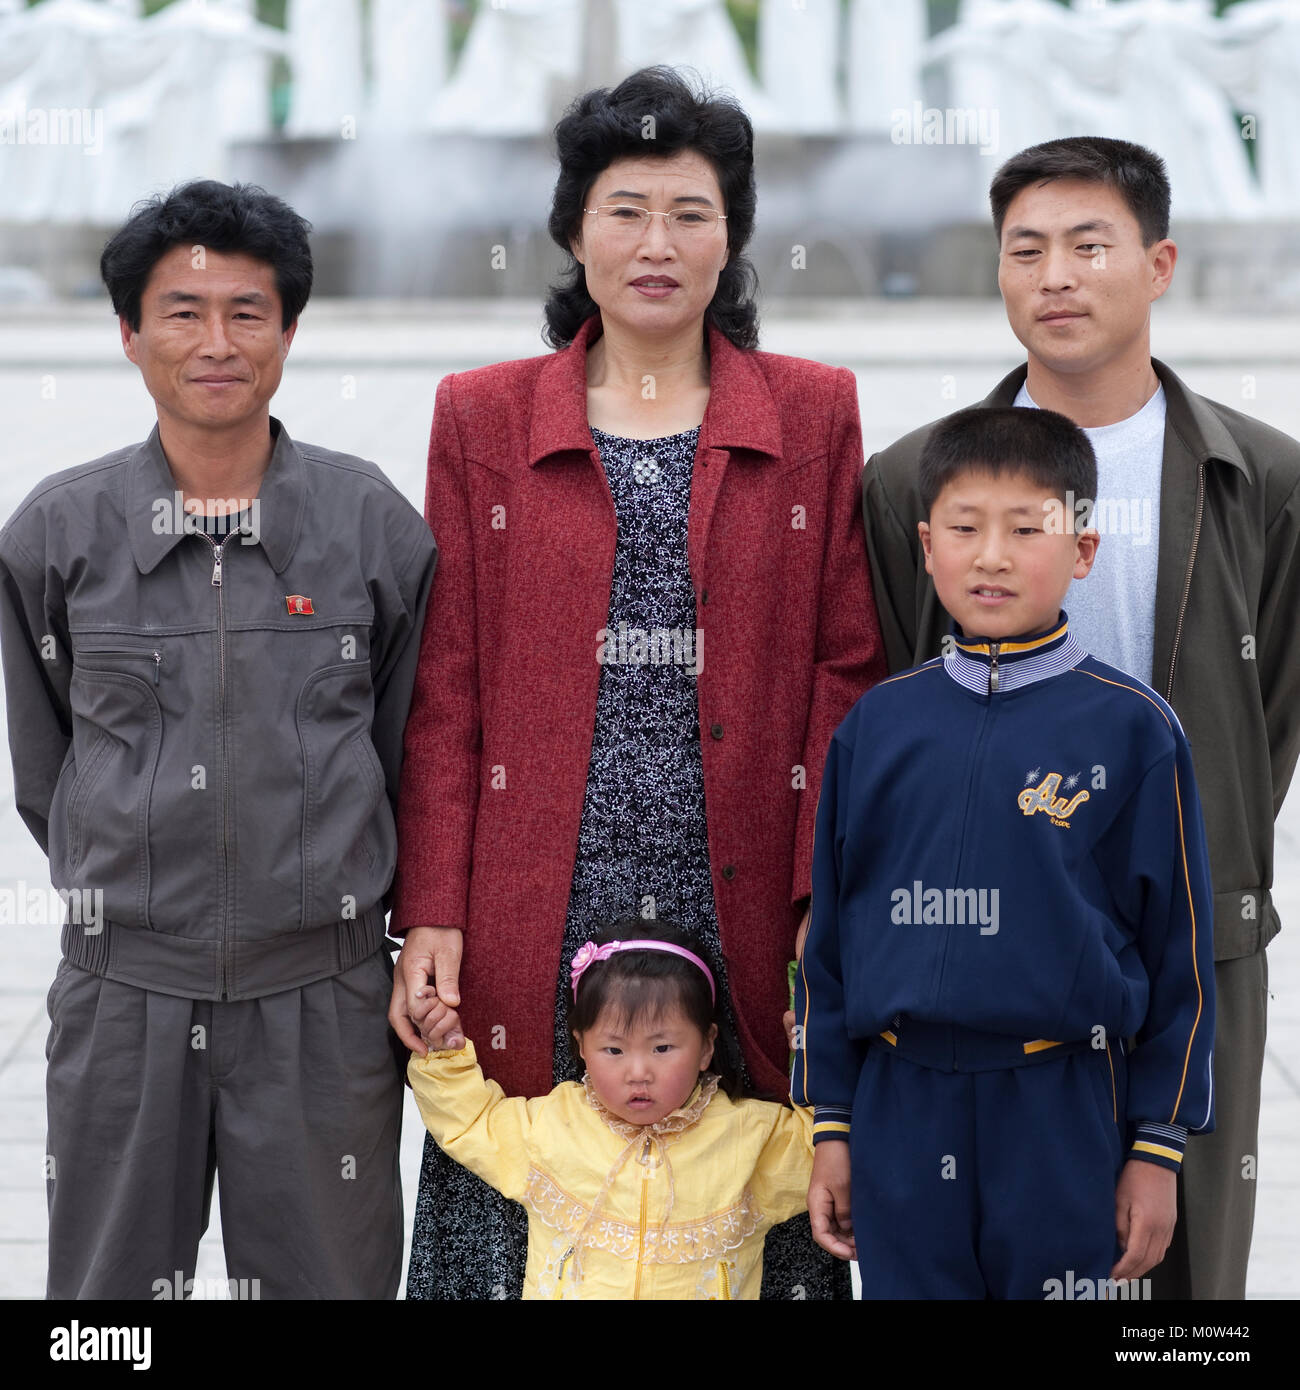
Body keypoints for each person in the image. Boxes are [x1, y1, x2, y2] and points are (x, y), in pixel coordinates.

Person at [389, 65, 885, 1300]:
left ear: (733, 236)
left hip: (744, 867)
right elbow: (448, 683)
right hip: (537, 873)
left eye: (689, 212)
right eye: (624, 210)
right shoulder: (483, 415)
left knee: (749, 1172)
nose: (655, 244)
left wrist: (825, 879)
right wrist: (434, 907)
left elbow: (848, 665)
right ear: (572, 229)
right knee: (518, 1171)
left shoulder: (813, 413)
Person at [862, 136, 1300, 1300]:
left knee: (1183, 1264)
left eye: (1088, 245)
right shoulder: (914, 482)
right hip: (974, 939)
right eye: (1026, 250)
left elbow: (1265, 713)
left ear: (1156, 264)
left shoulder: (1256, 476)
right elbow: (903, 689)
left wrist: (1195, 855)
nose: (1054, 274)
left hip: (1190, 931)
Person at [0, 180, 436, 1298]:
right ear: (130, 333)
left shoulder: (369, 526)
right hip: (124, 999)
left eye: (247, 311)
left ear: (290, 330)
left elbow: (405, 750)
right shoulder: (57, 533)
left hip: (321, 1001)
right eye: (182, 311)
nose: (216, 341)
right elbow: (48, 774)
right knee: (103, 1307)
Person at [797, 405, 1216, 1299]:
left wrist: (1157, 1146)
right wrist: (833, 1124)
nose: (992, 555)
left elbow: (1180, 954)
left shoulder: (1132, 729)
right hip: (902, 1107)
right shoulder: (878, 727)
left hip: (1062, 1104)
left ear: (1084, 551)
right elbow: (830, 945)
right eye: (965, 528)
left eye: (1028, 528)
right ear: (926, 546)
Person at [407, 920, 814, 1299]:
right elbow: (476, 1123)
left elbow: (820, 1150)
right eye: (614, 1049)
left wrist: (816, 1055)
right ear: (582, 1045)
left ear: (707, 1045)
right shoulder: (554, 1125)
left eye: (662, 1048)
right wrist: (445, 1054)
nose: (638, 1072)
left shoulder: (750, 1137)